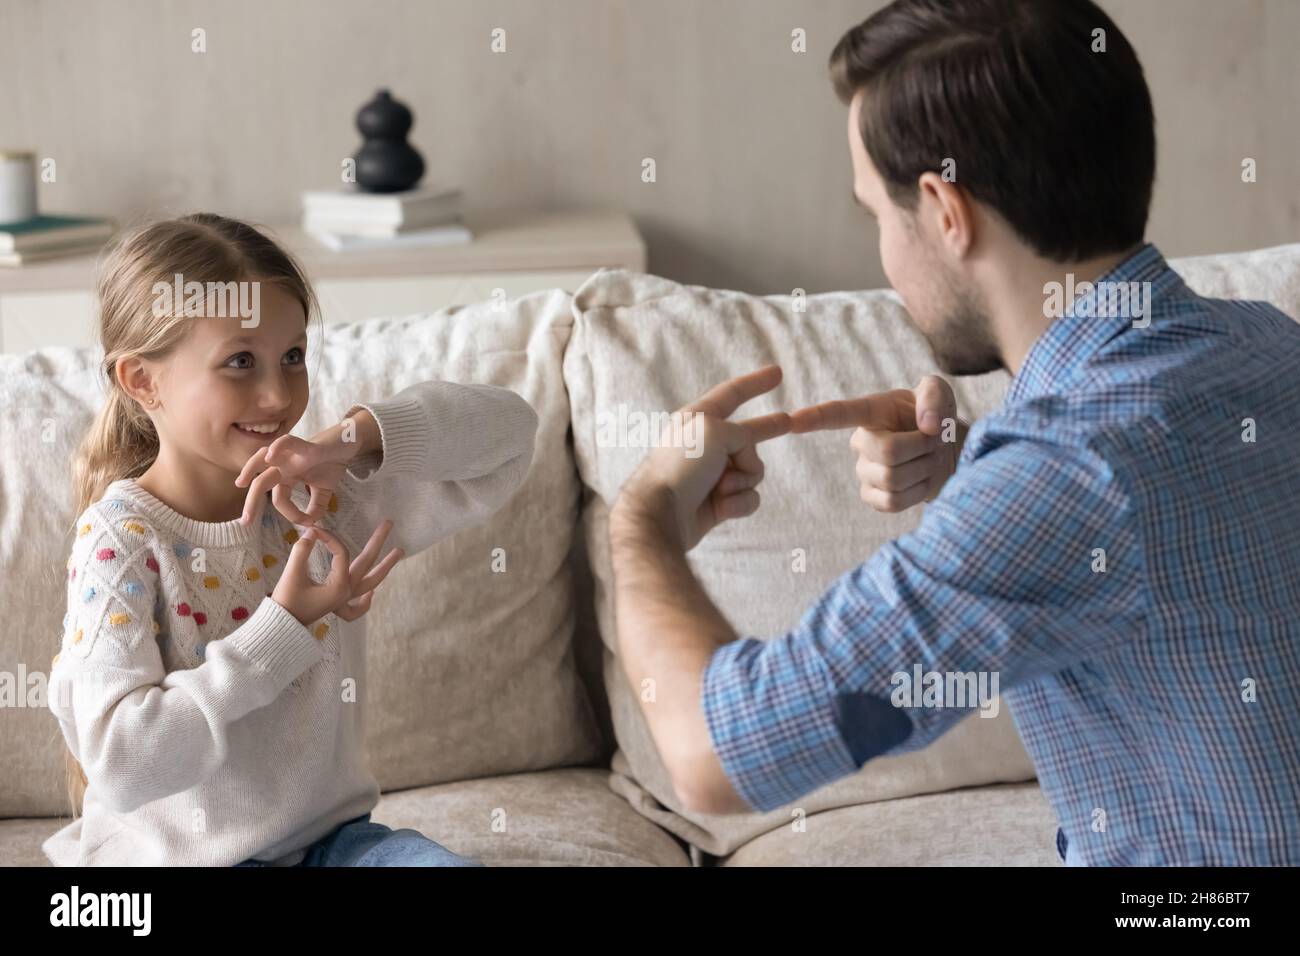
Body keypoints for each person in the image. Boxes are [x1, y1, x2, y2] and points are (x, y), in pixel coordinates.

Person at [608, 0, 1300, 865]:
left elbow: (719, 753)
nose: (884, 254)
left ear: (943, 209)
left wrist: (639, 517)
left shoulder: (1070, 473)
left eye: (876, 215)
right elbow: (1169, 522)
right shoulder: (1269, 348)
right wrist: (976, 466)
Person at [45, 213, 537, 866]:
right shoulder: (120, 542)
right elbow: (124, 763)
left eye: (294, 357)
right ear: (143, 380)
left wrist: (357, 438)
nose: (278, 394)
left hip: (336, 845)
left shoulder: (319, 495)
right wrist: (285, 626)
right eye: (240, 362)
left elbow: (510, 435)